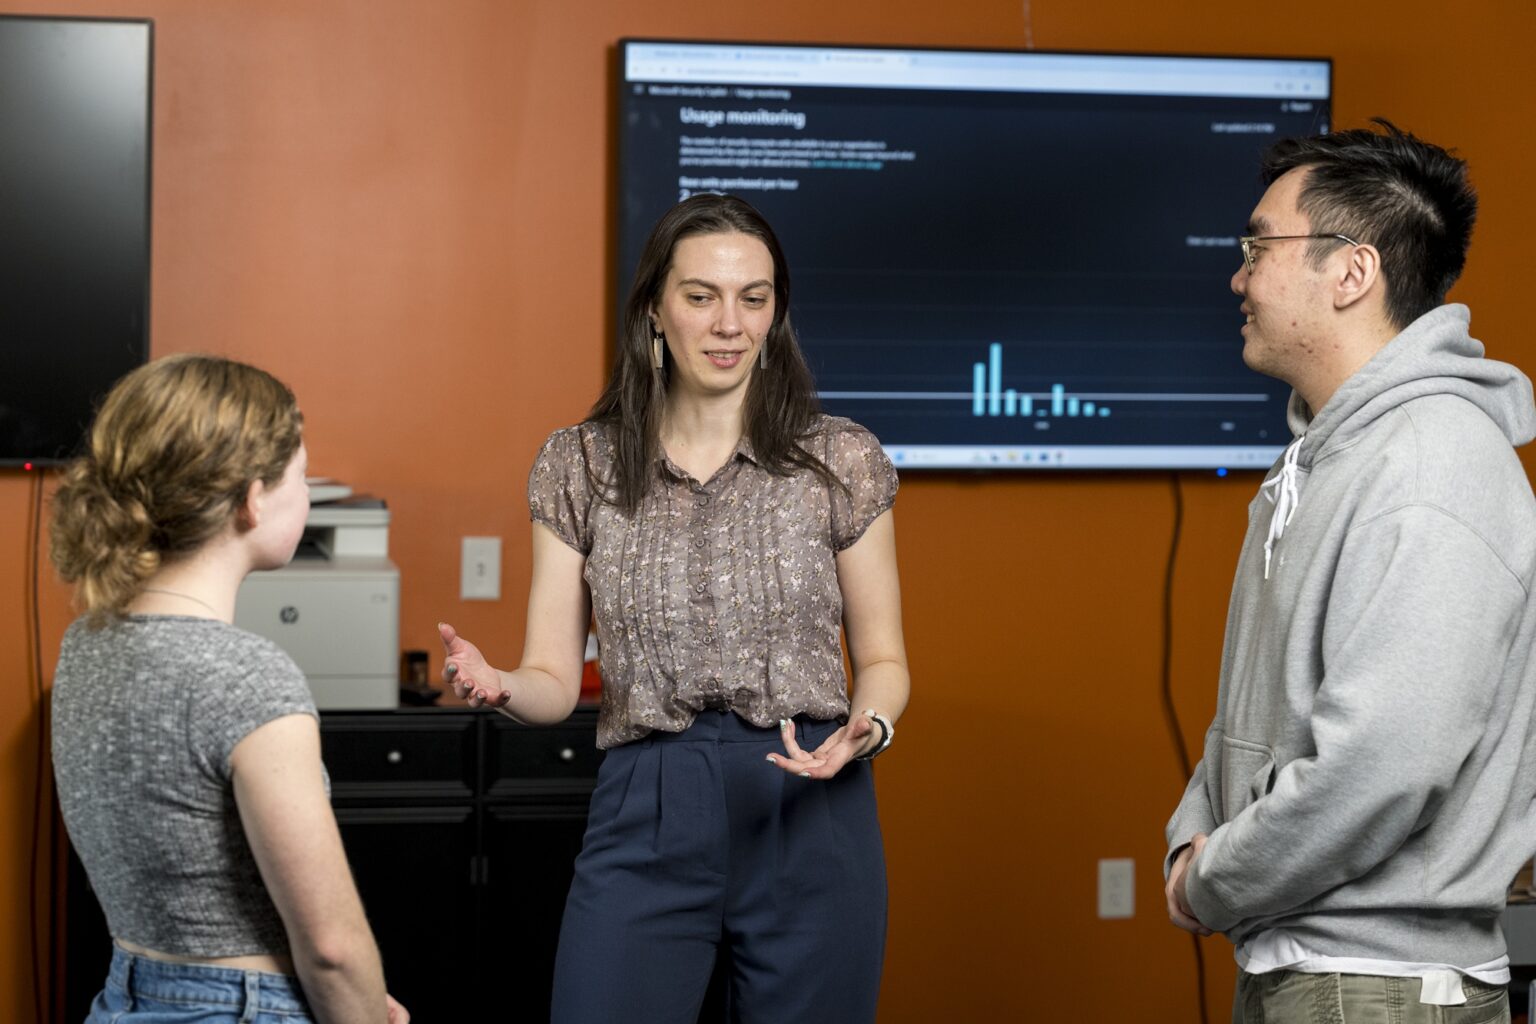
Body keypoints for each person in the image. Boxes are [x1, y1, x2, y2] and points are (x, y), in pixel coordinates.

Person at [440, 193, 910, 1022]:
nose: (729, 323)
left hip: (812, 800)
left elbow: (883, 662)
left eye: (753, 298)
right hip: (647, 800)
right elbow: (554, 675)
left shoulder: (841, 458)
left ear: (776, 314)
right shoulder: (579, 464)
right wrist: (505, 684)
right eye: (702, 296)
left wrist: (866, 729)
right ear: (656, 310)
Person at [1163, 120, 1536, 1021]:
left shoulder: (1429, 465)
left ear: (1353, 272)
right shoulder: (1326, 459)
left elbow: (1382, 769)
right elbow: (1253, 713)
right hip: (1314, 967)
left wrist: (1209, 879)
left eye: (1258, 245)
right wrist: (1191, 846)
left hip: (1377, 987)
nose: (1238, 275)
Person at [50, 354, 407, 1024]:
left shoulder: (86, 644)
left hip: (125, 995)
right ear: (252, 498)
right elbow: (330, 948)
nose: (304, 493)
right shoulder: (247, 677)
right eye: (300, 475)